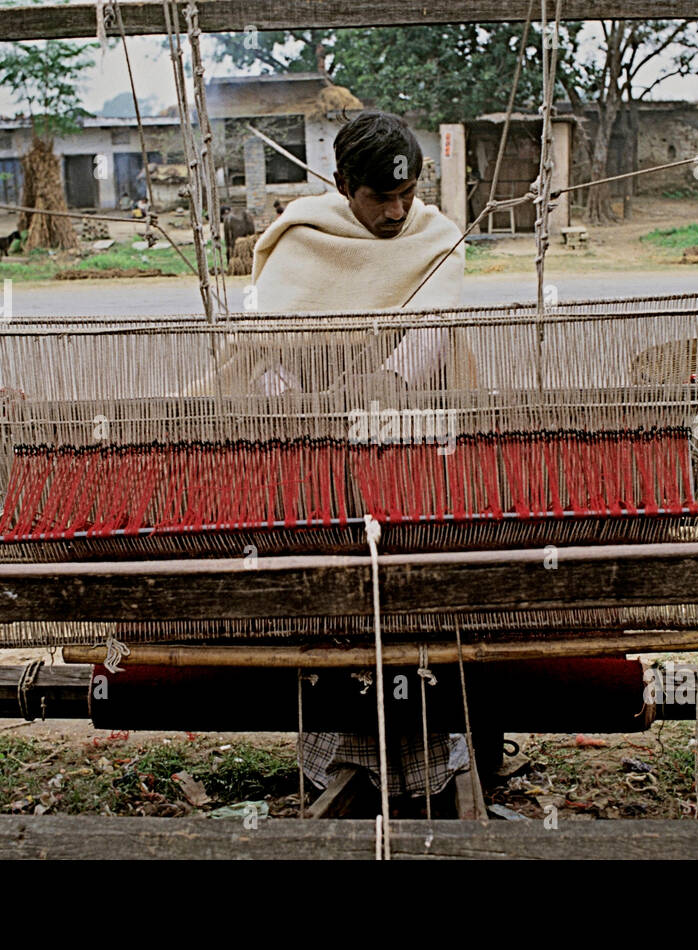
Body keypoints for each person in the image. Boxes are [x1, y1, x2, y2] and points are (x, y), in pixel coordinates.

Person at [250, 112, 478, 808]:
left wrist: (386, 390)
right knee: (333, 605)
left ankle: (433, 762)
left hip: (413, 460)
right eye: (380, 197)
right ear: (344, 184)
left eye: (406, 195)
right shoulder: (302, 239)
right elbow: (260, 347)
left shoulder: (435, 239)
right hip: (317, 463)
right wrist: (299, 407)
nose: (397, 211)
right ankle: (337, 760)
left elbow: (437, 334)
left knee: (416, 601)